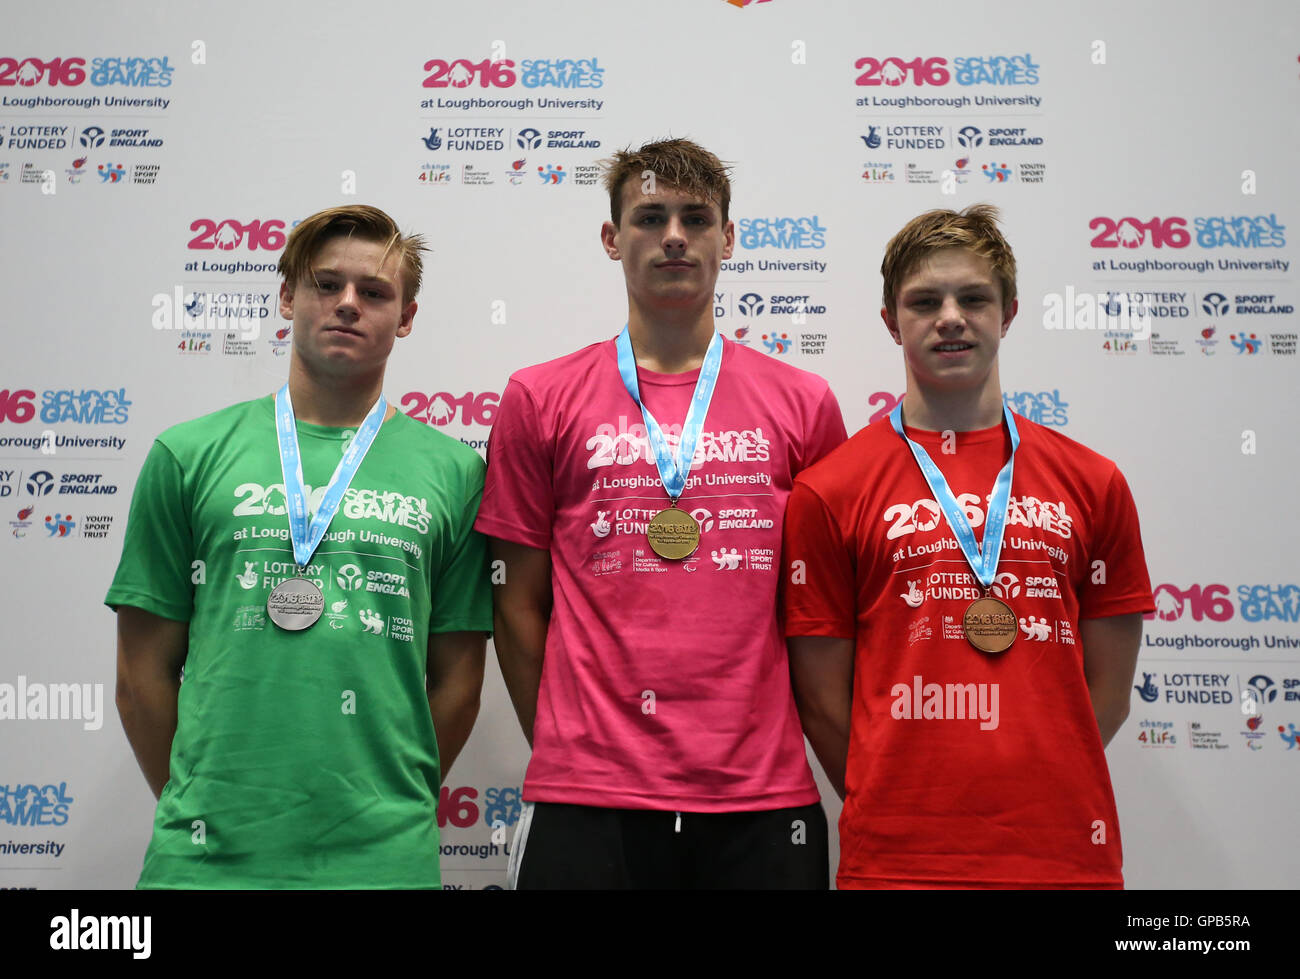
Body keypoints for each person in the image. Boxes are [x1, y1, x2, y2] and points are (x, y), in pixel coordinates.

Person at [477, 138, 847, 888]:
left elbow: (824, 614)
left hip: (762, 796)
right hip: (588, 795)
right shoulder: (538, 397)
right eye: (650, 216)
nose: (674, 235)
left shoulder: (804, 403)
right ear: (612, 238)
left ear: (729, 238)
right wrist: (566, 743)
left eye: (695, 217)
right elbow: (516, 600)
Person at [108, 204, 491, 888]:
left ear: (405, 316)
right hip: (204, 860)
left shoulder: (456, 473)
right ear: (287, 296)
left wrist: (388, 803)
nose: (348, 303)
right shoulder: (187, 454)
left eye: (374, 292)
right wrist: (204, 804)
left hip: (383, 860)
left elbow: (459, 682)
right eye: (325, 284)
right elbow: (142, 677)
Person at [783, 204, 1154, 889]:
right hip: (898, 862)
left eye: (973, 297)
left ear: (1008, 311)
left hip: (1065, 855)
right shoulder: (828, 490)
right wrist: (895, 792)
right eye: (925, 300)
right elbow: (823, 699)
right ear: (892, 320)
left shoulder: (1095, 482)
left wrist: (1038, 778)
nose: (950, 317)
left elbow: (1108, 691)